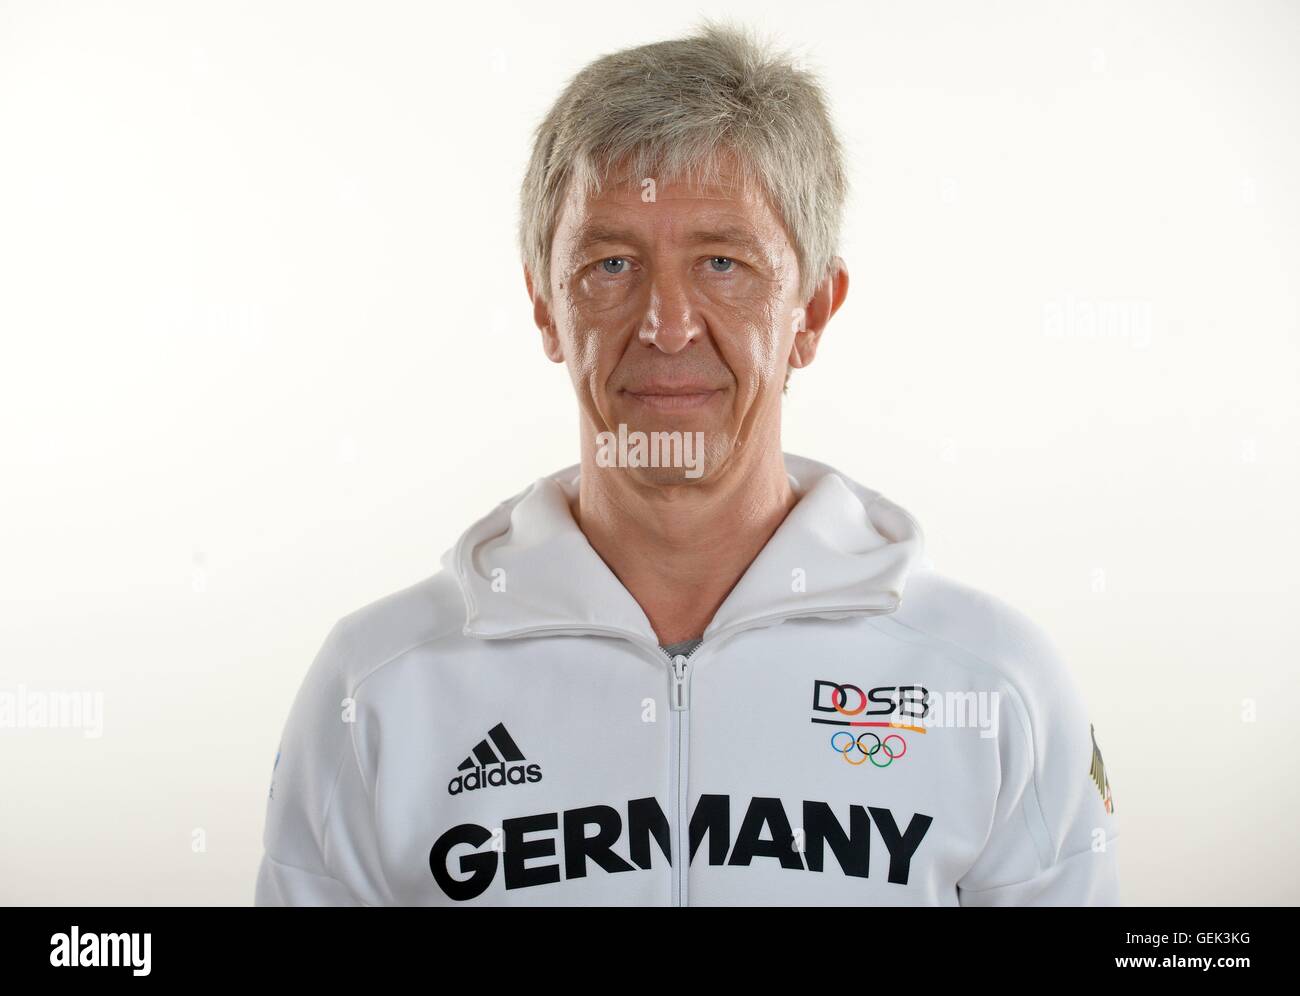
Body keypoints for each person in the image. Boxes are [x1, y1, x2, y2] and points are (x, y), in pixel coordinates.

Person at [255, 20, 1119, 906]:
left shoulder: (993, 686)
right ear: (546, 307)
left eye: (722, 263)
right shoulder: (379, 687)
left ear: (814, 311)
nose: (667, 325)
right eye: (611, 263)